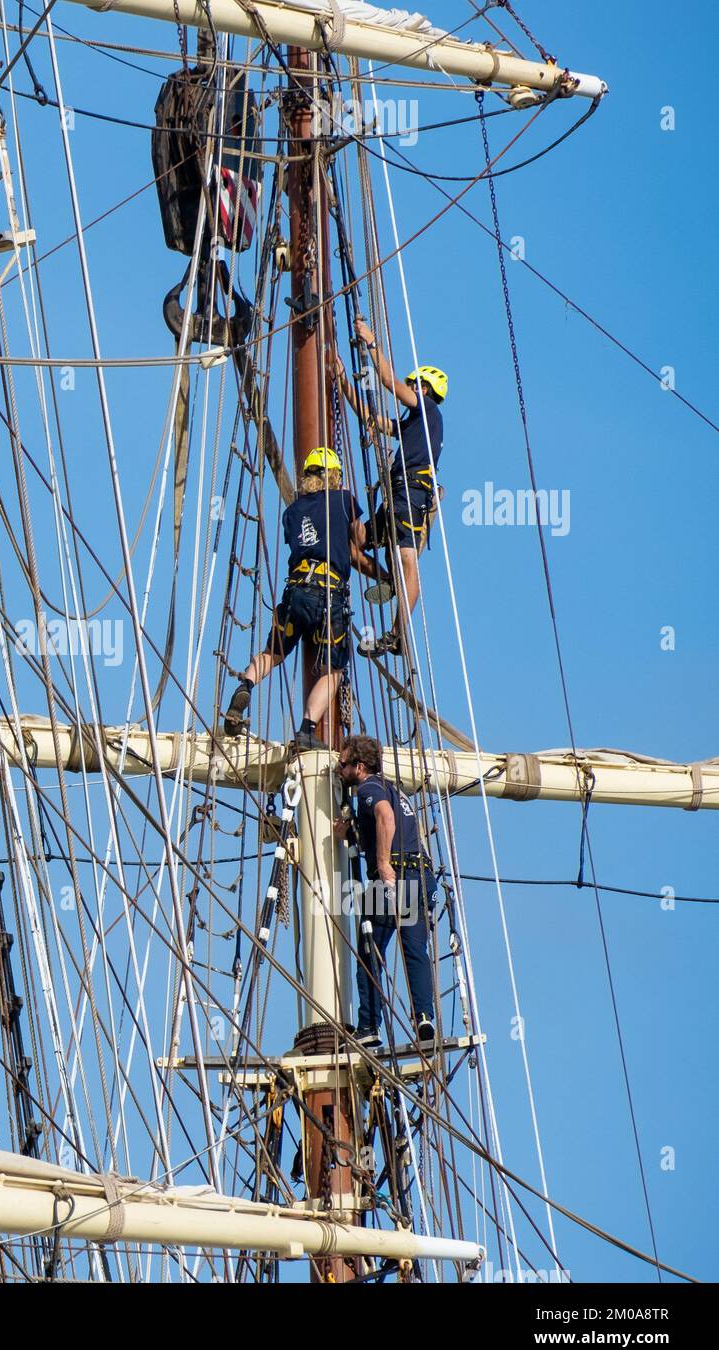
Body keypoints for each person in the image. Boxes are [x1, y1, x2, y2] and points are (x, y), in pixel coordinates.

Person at [222, 448, 384, 750]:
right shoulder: (344, 499)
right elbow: (358, 545)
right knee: (334, 671)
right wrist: (385, 572)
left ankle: (244, 686)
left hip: (296, 591)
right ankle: (308, 730)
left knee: (274, 651)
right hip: (329, 595)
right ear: (335, 475)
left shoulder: (292, 511)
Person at [327, 321, 447, 658]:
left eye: (414, 386)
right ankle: (390, 582)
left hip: (410, 493)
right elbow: (371, 418)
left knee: (408, 561)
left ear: (424, 388)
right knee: (353, 542)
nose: (410, 388)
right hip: (396, 495)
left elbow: (386, 380)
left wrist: (371, 341)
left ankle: (396, 634)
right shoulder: (414, 425)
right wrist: (344, 383)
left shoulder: (427, 408)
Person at [335, 733, 437, 1047]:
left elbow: (384, 817)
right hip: (421, 876)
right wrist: (350, 832)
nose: (339, 769)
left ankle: (368, 1027)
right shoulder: (392, 789)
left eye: (343, 764)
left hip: (396, 877)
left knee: (370, 951)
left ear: (359, 766)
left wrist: (382, 863)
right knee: (414, 951)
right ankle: (424, 1018)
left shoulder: (368, 789)